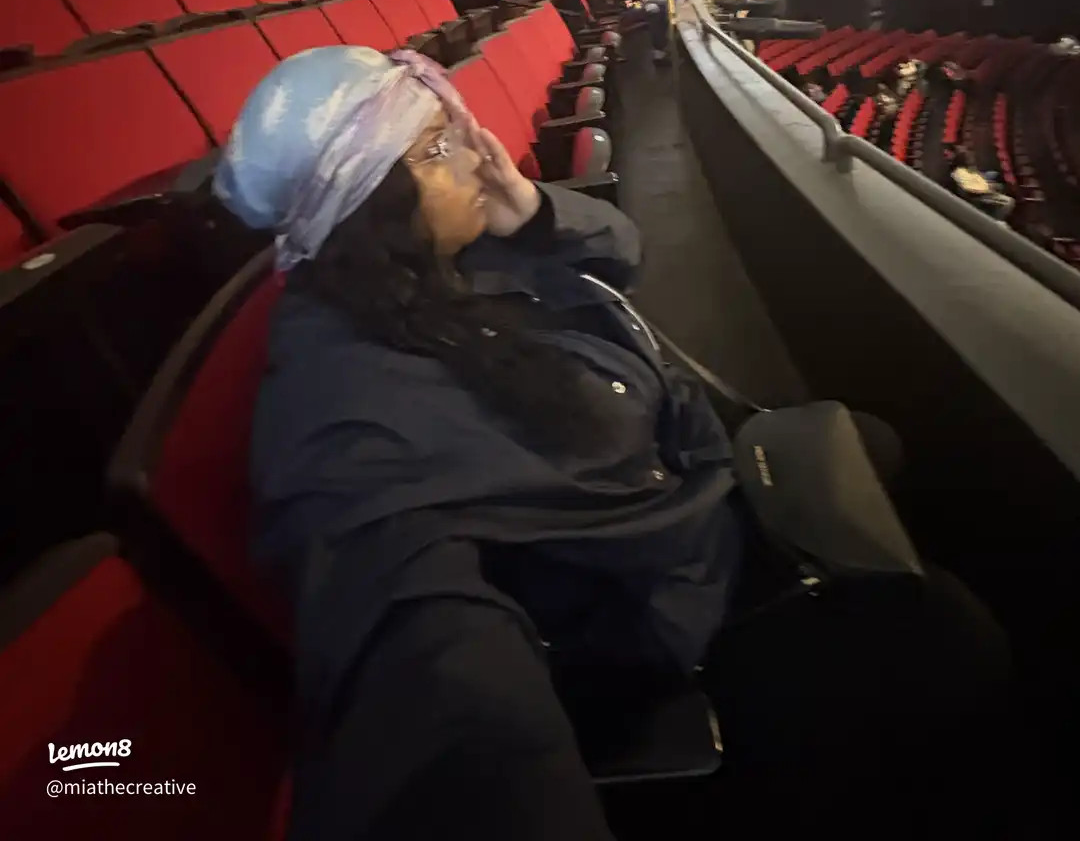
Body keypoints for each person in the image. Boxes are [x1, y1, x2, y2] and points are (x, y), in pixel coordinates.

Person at [213, 47, 1010, 838]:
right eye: (436, 145)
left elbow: (615, 256)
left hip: (687, 497)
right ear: (363, 199)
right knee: (950, 633)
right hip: (670, 613)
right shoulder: (348, 437)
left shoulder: (430, 262)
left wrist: (530, 210)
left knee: (870, 446)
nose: (470, 149)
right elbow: (440, 697)